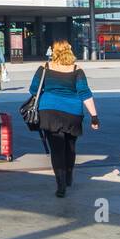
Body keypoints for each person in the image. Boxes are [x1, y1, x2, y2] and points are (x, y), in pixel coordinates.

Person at [27, 41, 98, 198]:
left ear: (54, 52)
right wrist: (94, 116)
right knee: (70, 147)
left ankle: (60, 185)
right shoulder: (76, 70)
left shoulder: (44, 68)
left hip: (49, 112)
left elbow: (33, 89)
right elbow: (85, 93)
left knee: (57, 149)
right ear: (69, 51)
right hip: (72, 113)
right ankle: (69, 175)